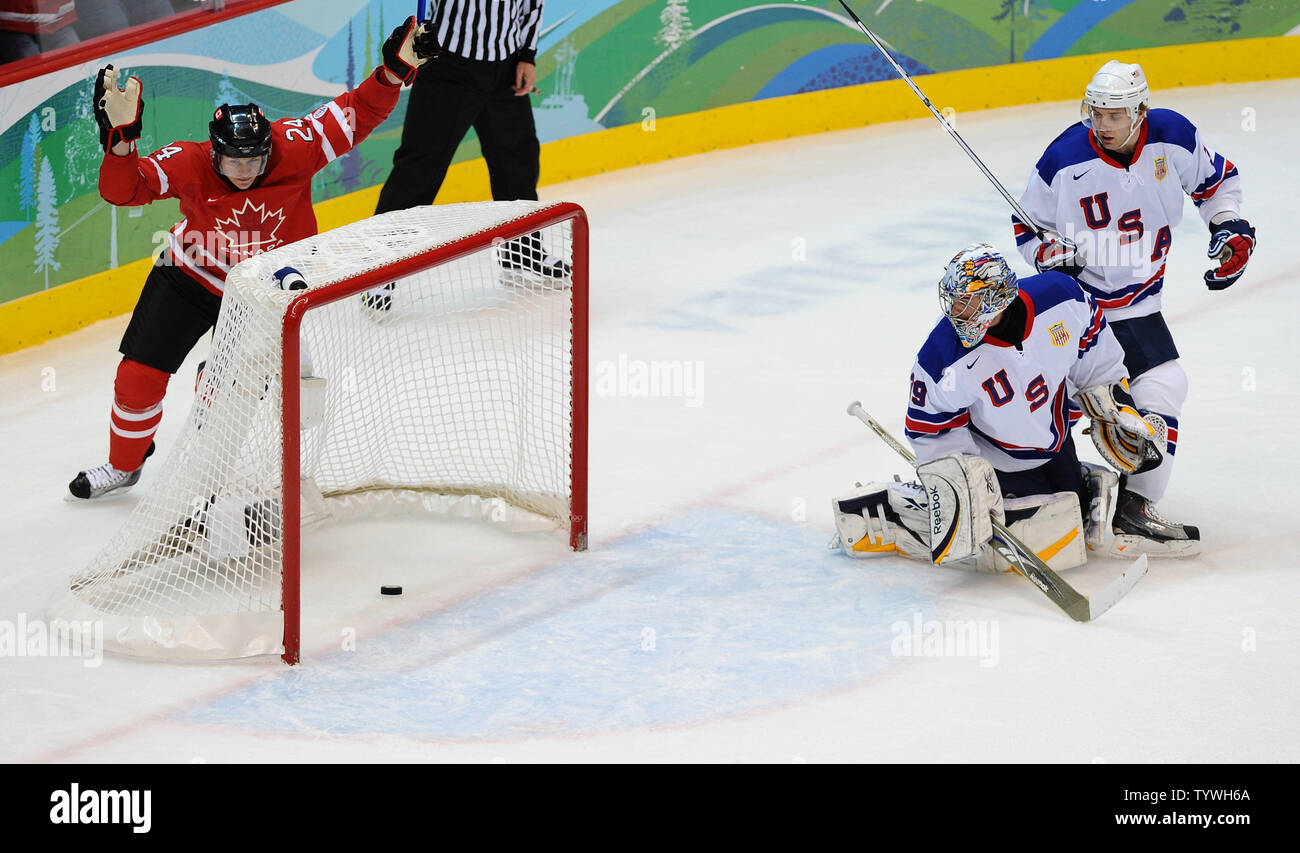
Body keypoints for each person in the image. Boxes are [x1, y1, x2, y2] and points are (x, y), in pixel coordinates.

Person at [68, 17, 431, 500]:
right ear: (214, 154)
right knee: (137, 378)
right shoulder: (189, 161)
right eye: (233, 162)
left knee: (220, 394)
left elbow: (357, 112)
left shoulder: (296, 146)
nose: (244, 171)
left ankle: (208, 483)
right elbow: (123, 191)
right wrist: (120, 139)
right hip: (188, 276)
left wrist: (393, 71)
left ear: (268, 150)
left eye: (254, 161)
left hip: (258, 292)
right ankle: (124, 465)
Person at [1012, 60, 1255, 556]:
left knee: (1165, 387)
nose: (1101, 124)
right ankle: (1023, 488)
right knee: (1045, 404)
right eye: (1095, 113)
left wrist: (1228, 226)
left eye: (1114, 115)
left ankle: (1134, 506)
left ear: (1140, 112)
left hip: (1140, 303)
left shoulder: (1174, 137)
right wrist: (1046, 254)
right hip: (1078, 304)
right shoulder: (1064, 157)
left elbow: (1216, 184)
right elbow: (1027, 225)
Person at [832, 244, 1170, 572]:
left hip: (1053, 441)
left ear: (997, 298)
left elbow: (1093, 348)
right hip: (995, 458)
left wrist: (1109, 402)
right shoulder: (943, 355)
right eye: (955, 303)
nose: (956, 313)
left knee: (1079, 515)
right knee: (1031, 538)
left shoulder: (1060, 296)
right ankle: (900, 513)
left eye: (967, 304)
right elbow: (930, 426)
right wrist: (964, 483)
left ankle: (1060, 484)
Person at [364, 0, 567, 309]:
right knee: (419, 168)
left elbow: (532, 3)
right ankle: (380, 269)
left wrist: (527, 55)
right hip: (449, 63)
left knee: (518, 163)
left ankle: (522, 251)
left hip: (506, 63)